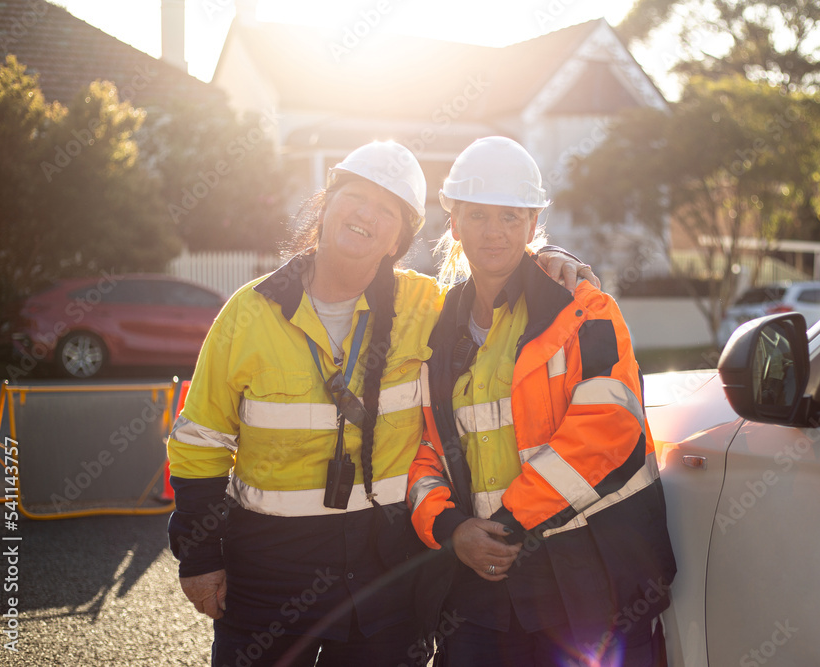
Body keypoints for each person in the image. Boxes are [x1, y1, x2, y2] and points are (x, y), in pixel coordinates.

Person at [166, 139, 596, 667]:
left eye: (387, 209)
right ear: (326, 205)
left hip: (388, 573)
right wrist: (200, 557)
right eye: (356, 196)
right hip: (269, 573)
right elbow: (199, 445)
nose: (368, 215)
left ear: (399, 238)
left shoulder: (429, 306)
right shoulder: (247, 314)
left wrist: (554, 260)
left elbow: (499, 277)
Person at [407, 137, 677, 666]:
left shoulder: (584, 310)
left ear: (532, 226)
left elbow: (607, 429)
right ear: (454, 225)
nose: (493, 231)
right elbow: (418, 449)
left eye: (510, 216)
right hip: (481, 590)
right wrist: (451, 529)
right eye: (478, 215)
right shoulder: (435, 331)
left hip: (590, 583)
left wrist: (505, 526)